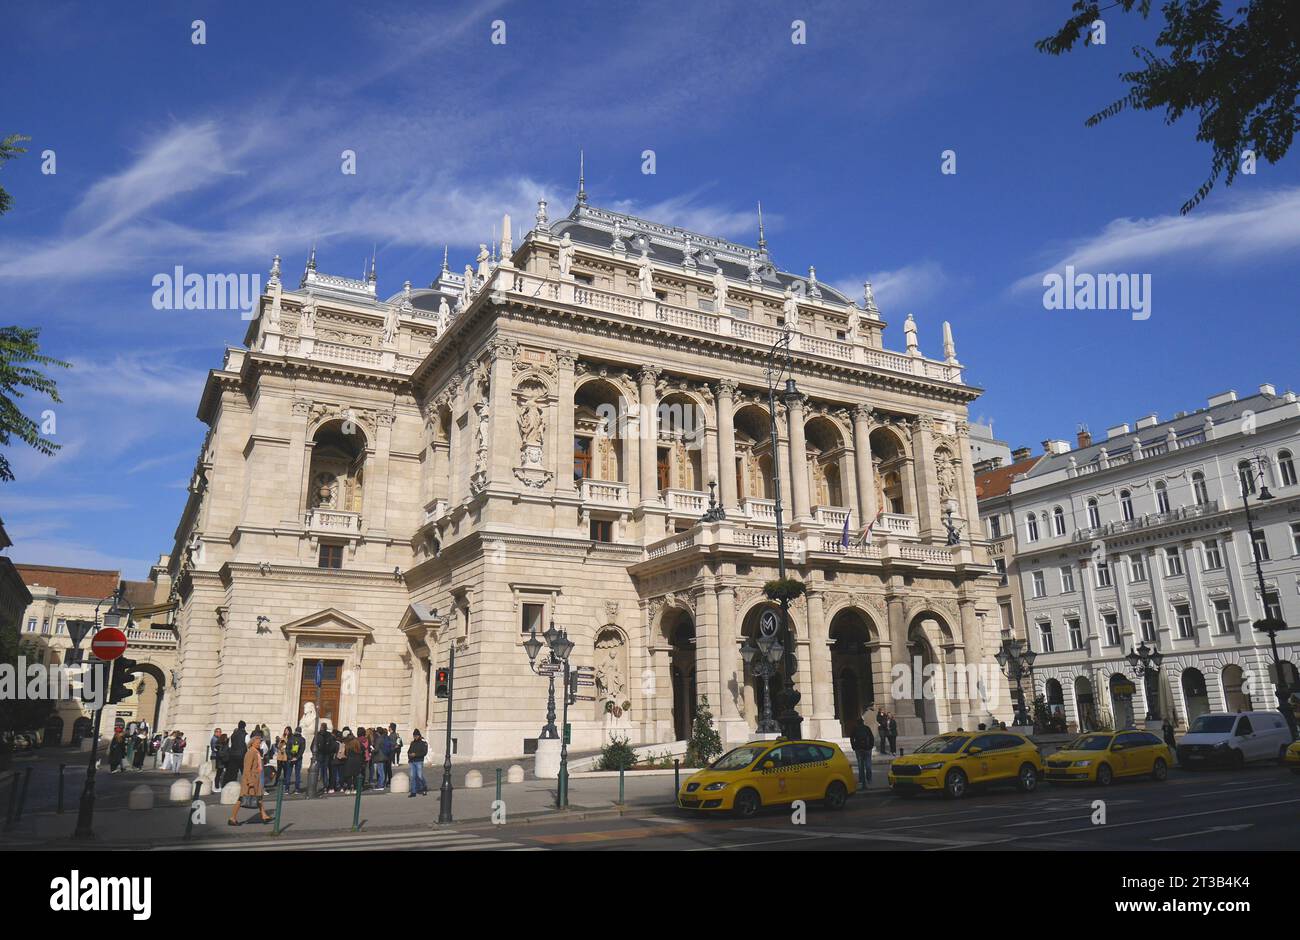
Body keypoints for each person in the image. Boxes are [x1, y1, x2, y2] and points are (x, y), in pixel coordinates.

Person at [229, 732, 273, 826]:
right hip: (250, 780)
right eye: (257, 742)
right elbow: (247, 769)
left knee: (259, 797)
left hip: (256, 779)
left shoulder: (256, 752)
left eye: (259, 742)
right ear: (252, 743)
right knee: (241, 799)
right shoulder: (250, 753)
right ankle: (232, 818)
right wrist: (250, 782)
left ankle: (264, 815)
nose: (259, 744)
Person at [849, 720, 875, 791]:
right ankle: (869, 779)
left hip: (859, 749)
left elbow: (851, 738)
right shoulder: (867, 728)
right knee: (868, 765)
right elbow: (871, 737)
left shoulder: (855, 729)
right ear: (863, 722)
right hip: (867, 749)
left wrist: (853, 747)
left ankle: (861, 780)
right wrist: (870, 746)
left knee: (860, 766)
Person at [406, 730, 429, 797]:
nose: (415, 737)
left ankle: (424, 786)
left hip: (419, 761)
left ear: (419, 736)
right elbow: (409, 751)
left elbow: (424, 752)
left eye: (416, 736)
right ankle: (413, 791)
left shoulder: (423, 743)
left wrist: (415, 754)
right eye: (414, 736)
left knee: (419, 776)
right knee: (412, 777)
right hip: (412, 761)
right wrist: (410, 755)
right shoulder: (412, 743)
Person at [287, 726, 306, 793]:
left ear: (295, 731)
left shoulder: (290, 738)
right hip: (298, 759)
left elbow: (287, 749)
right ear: (300, 732)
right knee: (297, 774)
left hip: (290, 758)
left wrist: (290, 757)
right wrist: (297, 757)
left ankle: (287, 789)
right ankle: (297, 789)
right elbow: (302, 750)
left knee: (288, 774)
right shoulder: (302, 739)